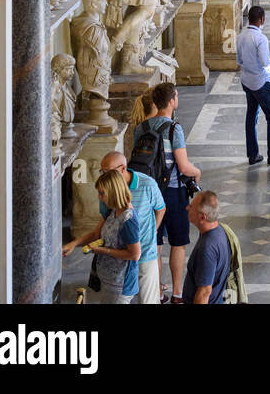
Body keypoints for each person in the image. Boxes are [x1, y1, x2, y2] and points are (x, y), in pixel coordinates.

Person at [63, 151, 164, 305]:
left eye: (107, 172)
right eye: (101, 171)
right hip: (118, 271)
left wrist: (153, 231)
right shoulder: (109, 196)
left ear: (123, 168)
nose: (103, 175)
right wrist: (74, 243)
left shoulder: (146, 186)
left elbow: (160, 209)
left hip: (142, 256)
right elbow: (100, 230)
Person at [145, 83, 202, 304]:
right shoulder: (173, 128)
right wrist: (197, 173)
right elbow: (184, 166)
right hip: (172, 191)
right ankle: (178, 293)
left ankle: (158, 292)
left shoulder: (142, 127)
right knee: (178, 242)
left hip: (150, 191)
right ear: (171, 101)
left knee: (156, 243)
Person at [236, 5, 270, 167]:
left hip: (246, 81)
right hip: (261, 82)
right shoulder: (260, 39)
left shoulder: (240, 36)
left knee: (251, 117)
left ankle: (253, 155)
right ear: (262, 20)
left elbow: (239, 60)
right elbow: (266, 64)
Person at [89, 168, 141, 304]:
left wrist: (104, 251)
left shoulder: (128, 219)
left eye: (102, 193)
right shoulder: (113, 210)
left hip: (121, 284)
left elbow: (135, 255)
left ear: (113, 192)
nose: (99, 197)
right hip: (110, 281)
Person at [183, 191, 231, 305]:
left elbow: (204, 292)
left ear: (202, 217)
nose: (187, 208)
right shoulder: (219, 230)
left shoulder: (207, 248)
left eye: (191, 207)